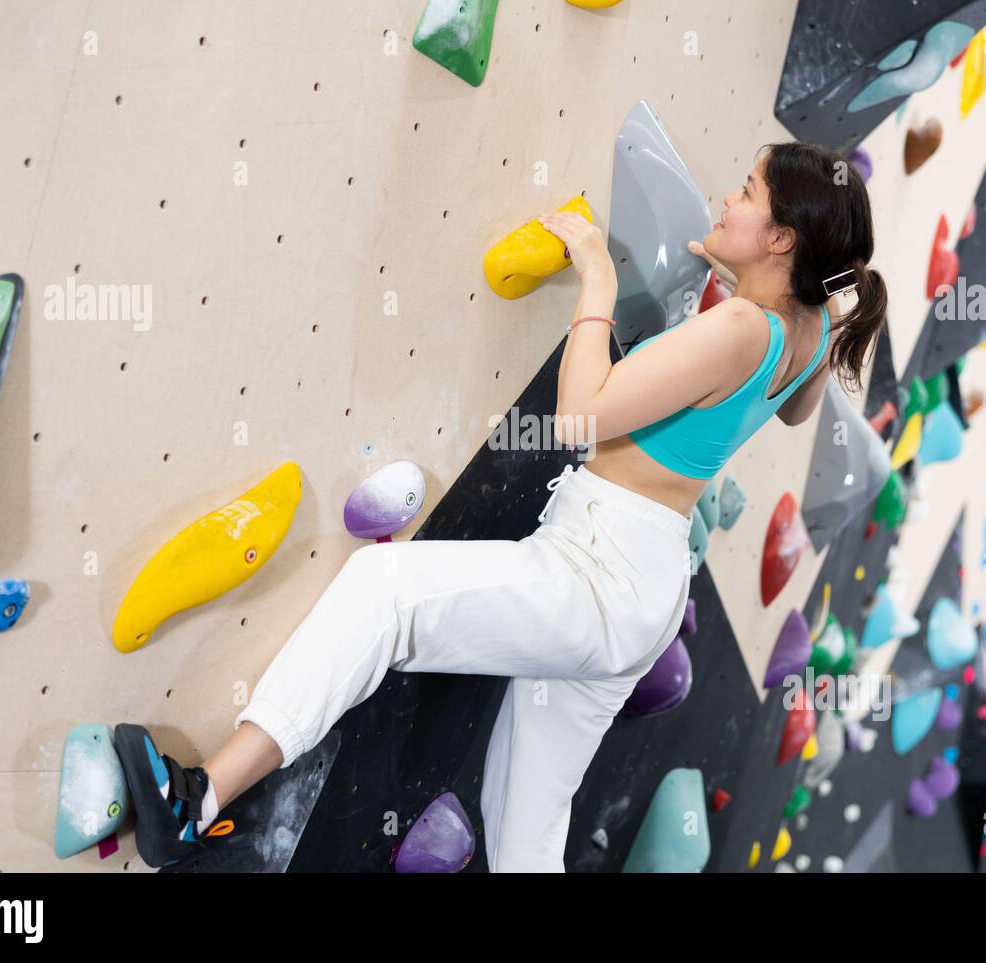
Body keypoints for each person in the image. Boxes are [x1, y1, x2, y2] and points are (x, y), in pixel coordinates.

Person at [114, 140, 888, 872]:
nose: (728, 194)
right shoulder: (811, 328)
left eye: (747, 193)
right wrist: (737, 273)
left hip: (598, 577)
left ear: (782, 239)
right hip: (639, 587)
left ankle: (198, 799)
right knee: (524, 832)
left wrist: (597, 281)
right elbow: (790, 407)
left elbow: (580, 413)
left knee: (383, 592)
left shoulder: (744, 329)